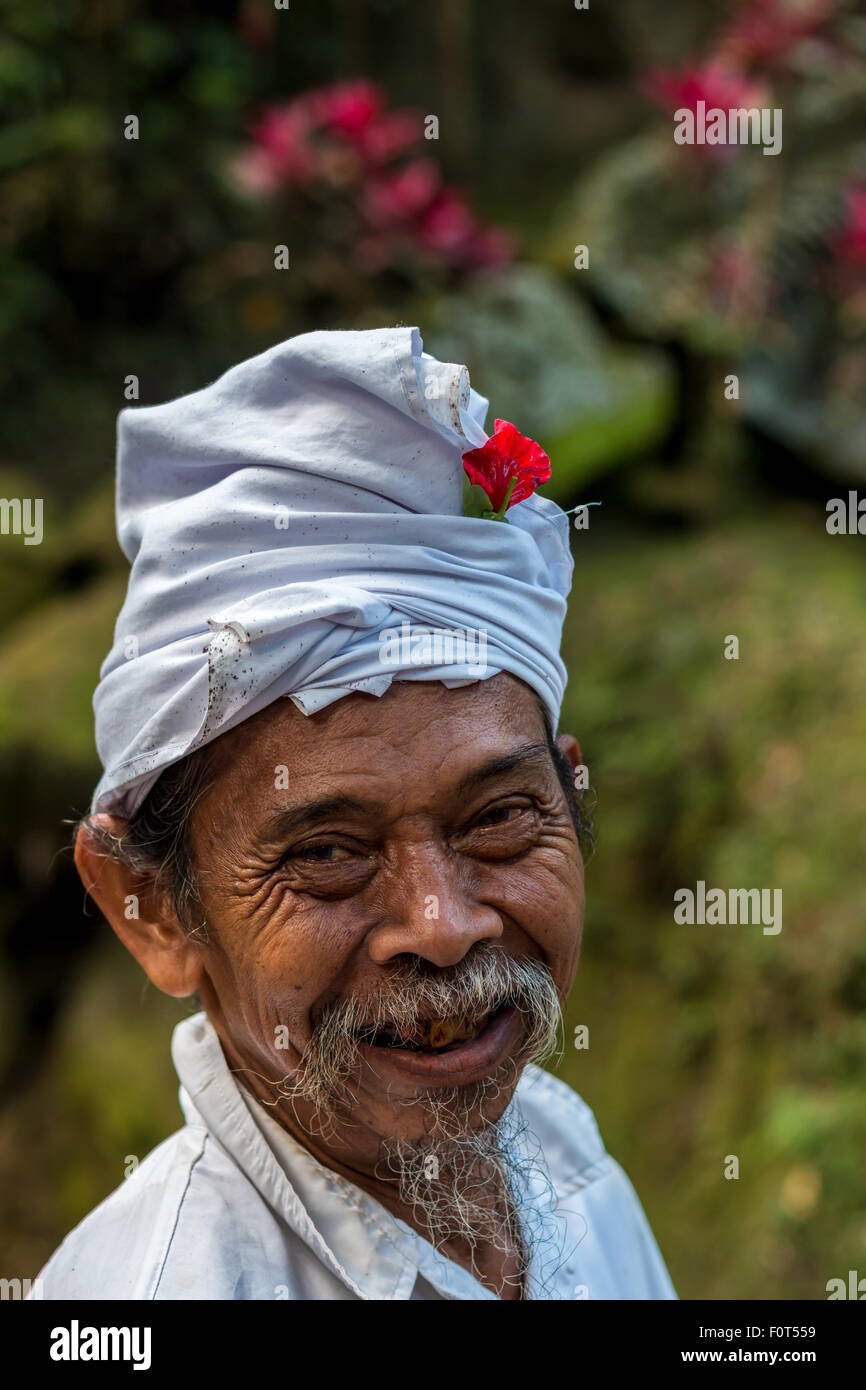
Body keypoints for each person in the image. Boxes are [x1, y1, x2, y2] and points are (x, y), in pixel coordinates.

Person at [34, 327, 676, 1300]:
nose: (444, 924)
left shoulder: (551, 1141)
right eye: (328, 851)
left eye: (499, 817)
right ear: (151, 908)